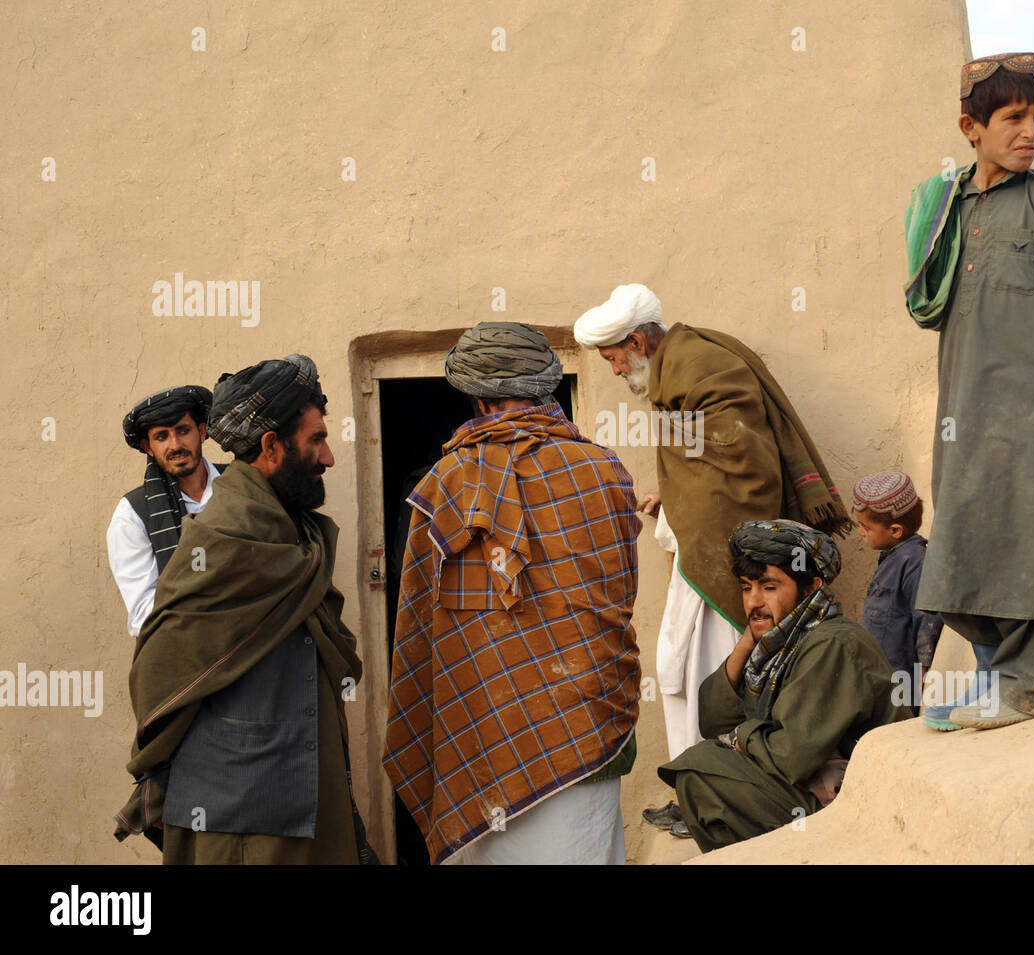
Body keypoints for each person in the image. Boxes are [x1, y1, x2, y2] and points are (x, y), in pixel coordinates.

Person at [574, 284, 850, 833]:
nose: (612, 371)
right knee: (680, 673)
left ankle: (722, 794)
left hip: (728, 564)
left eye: (612, 358)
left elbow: (748, 466)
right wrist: (673, 497)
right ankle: (693, 787)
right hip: (700, 553)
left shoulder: (702, 365)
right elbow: (705, 461)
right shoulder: (679, 368)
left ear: (635, 341)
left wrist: (687, 504)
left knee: (721, 675)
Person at [903, 52, 1034, 730]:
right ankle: (994, 678)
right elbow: (925, 303)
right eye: (1013, 117)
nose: (1031, 131)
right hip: (966, 412)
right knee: (970, 541)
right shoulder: (946, 206)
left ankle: (1031, 690)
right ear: (971, 126)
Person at [384, 322, 641, 865]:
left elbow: (427, 626)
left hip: (480, 732)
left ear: (474, 398)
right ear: (548, 388)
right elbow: (618, 595)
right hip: (586, 723)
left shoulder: (445, 483)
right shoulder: (605, 472)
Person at [113, 354, 373, 864]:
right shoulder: (224, 533)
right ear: (273, 446)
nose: (328, 459)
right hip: (239, 812)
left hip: (309, 794)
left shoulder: (290, 528)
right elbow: (161, 666)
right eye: (317, 440)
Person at [658, 519, 906, 852]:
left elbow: (791, 757)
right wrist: (746, 644)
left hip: (861, 803)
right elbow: (713, 720)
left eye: (769, 587)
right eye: (747, 588)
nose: (752, 602)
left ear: (810, 588)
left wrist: (739, 739)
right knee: (699, 767)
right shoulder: (776, 645)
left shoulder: (831, 643)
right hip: (811, 786)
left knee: (700, 774)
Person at [107, 386, 223, 637]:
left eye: (183, 431)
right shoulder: (133, 515)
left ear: (202, 432)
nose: (175, 445)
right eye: (161, 437)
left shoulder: (240, 484)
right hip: (185, 659)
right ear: (148, 447)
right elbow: (144, 615)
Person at [852, 471, 943, 716]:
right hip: (880, 672)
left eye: (865, 527)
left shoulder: (915, 562)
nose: (861, 533)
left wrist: (924, 669)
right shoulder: (893, 556)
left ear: (895, 530)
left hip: (901, 677)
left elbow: (927, 616)